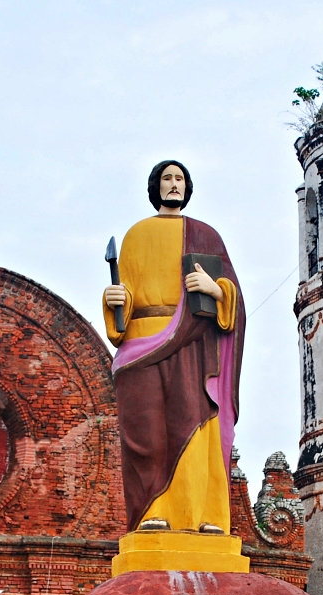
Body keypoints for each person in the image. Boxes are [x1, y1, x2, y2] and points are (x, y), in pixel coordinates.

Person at [103, 160, 245, 534]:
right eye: (166, 178)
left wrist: (217, 291)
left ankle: (204, 514)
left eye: (179, 178)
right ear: (156, 186)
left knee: (195, 425)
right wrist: (115, 299)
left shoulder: (206, 235)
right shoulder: (137, 235)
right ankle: (154, 511)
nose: (173, 184)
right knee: (146, 432)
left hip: (193, 340)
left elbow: (232, 293)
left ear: (187, 187)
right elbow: (124, 305)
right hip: (142, 340)